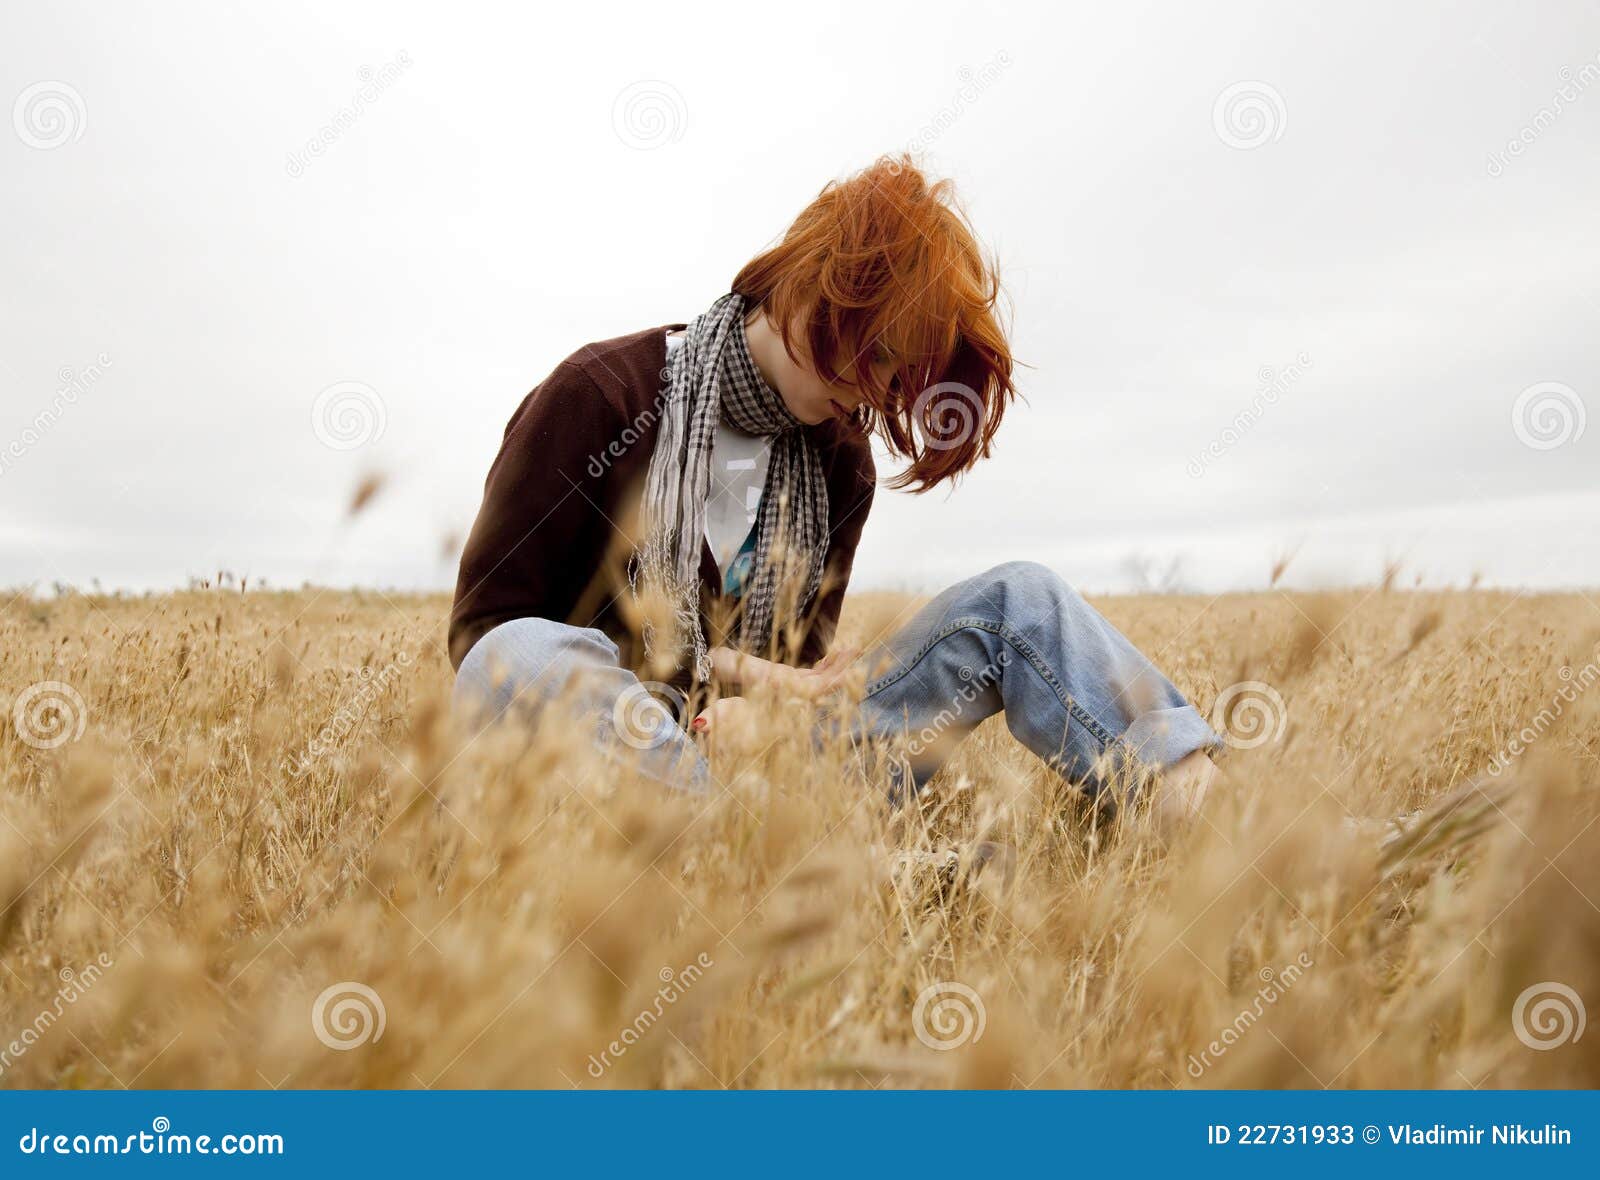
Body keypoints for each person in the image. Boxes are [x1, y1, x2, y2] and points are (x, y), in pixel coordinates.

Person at [448, 155, 1220, 827]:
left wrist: (769, 712)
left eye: (899, 376)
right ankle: (736, 850)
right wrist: (734, 682)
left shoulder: (840, 464)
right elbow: (484, 632)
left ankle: (1223, 831)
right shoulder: (604, 395)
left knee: (1024, 600)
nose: (876, 393)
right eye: (878, 349)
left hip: (770, 768)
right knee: (516, 652)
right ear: (816, 283)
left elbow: (795, 670)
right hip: (615, 754)